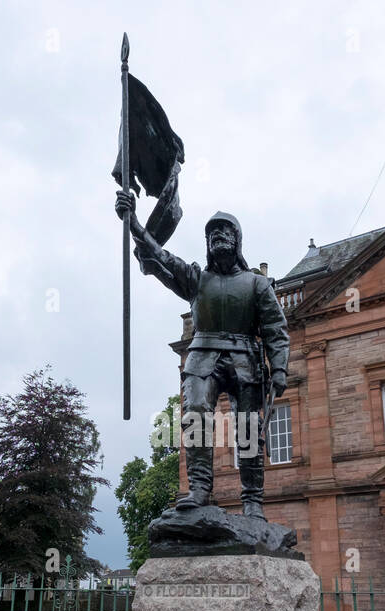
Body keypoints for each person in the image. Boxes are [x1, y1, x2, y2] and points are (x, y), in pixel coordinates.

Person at [115, 189, 289, 520]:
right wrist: (134, 222)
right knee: (195, 415)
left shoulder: (257, 284)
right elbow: (159, 257)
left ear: (237, 240)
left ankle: (252, 501)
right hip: (202, 357)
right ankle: (199, 490)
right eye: (212, 233)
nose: (217, 237)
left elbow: (275, 329)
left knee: (249, 429)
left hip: (246, 360)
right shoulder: (197, 278)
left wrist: (279, 368)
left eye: (224, 231)